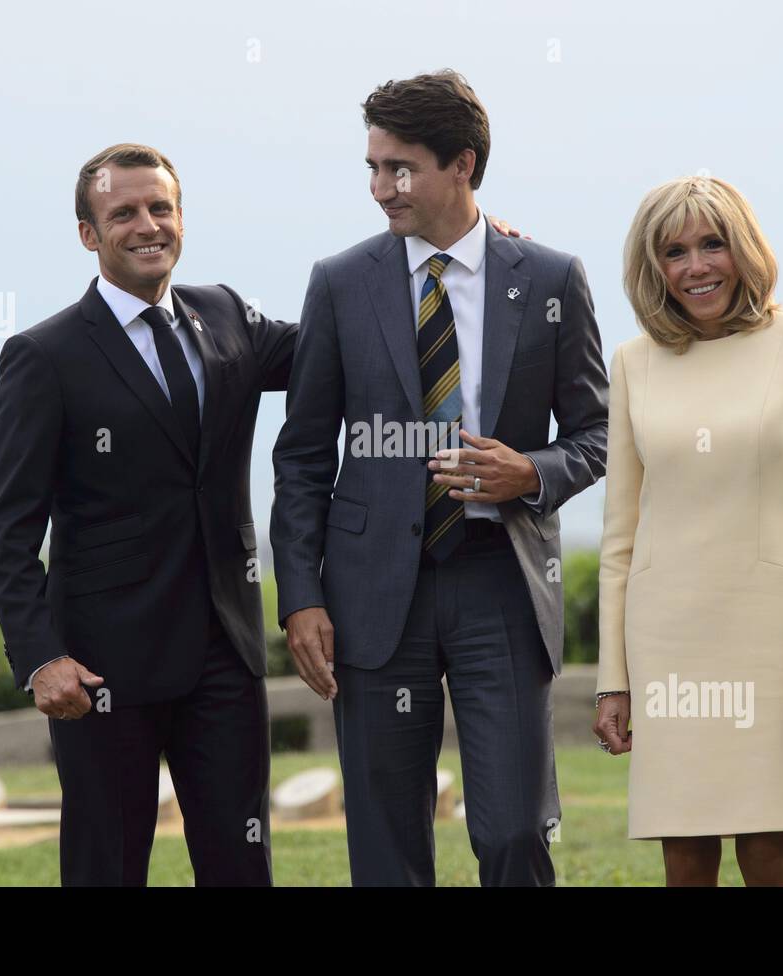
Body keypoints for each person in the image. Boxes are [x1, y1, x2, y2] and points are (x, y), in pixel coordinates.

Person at [271, 70, 609, 886]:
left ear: (463, 164)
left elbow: (598, 434)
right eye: (373, 168)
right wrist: (301, 594)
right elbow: (304, 453)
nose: (383, 187)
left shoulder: (554, 279)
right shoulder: (340, 283)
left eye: (402, 168)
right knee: (386, 847)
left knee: (513, 831)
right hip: (372, 590)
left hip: (502, 584)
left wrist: (530, 470)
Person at [0, 143, 296, 886]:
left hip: (226, 652)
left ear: (181, 218)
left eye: (161, 208)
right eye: (123, 212)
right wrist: (39, 658)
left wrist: (455, 241)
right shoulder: (43, 355)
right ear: (89, 234)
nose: (146, 224)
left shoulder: (225, 315)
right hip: (99, 669)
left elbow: (336, 349)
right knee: (107, 868)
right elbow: (9, 529)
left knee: (241, 865)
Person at [592, 176, 783, 886]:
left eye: (713, 244)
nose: (696, 266)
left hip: (770, 637)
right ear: (655, 269)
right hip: (668, 638)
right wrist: (613, 682)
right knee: (684, 851)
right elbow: (619, 539)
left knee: (769, 849)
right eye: (674, 252)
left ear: (744, 249)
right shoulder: (633, 364)